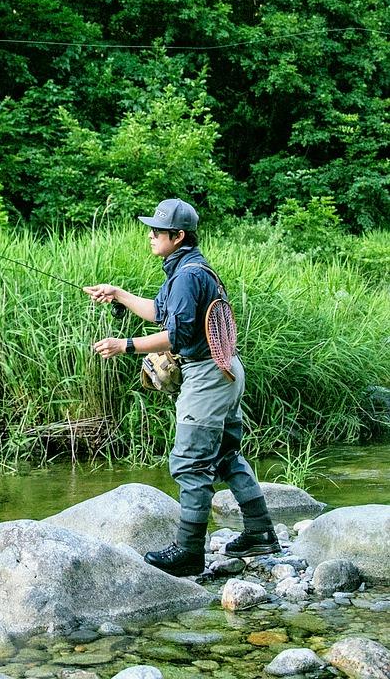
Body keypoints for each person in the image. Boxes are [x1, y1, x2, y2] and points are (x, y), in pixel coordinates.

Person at [84, 197, 279, 577]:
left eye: (157, 231)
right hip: (226, 370)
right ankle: (261, 533)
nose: (151, 237)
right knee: (225, 456)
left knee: (190, 463)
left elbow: (177, 334)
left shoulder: (188, 274)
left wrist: (124, 345)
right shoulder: (187, 269)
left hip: (207, 376)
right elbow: (161, 311)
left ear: (178, 235)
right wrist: (119, 295)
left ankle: (190, 553)